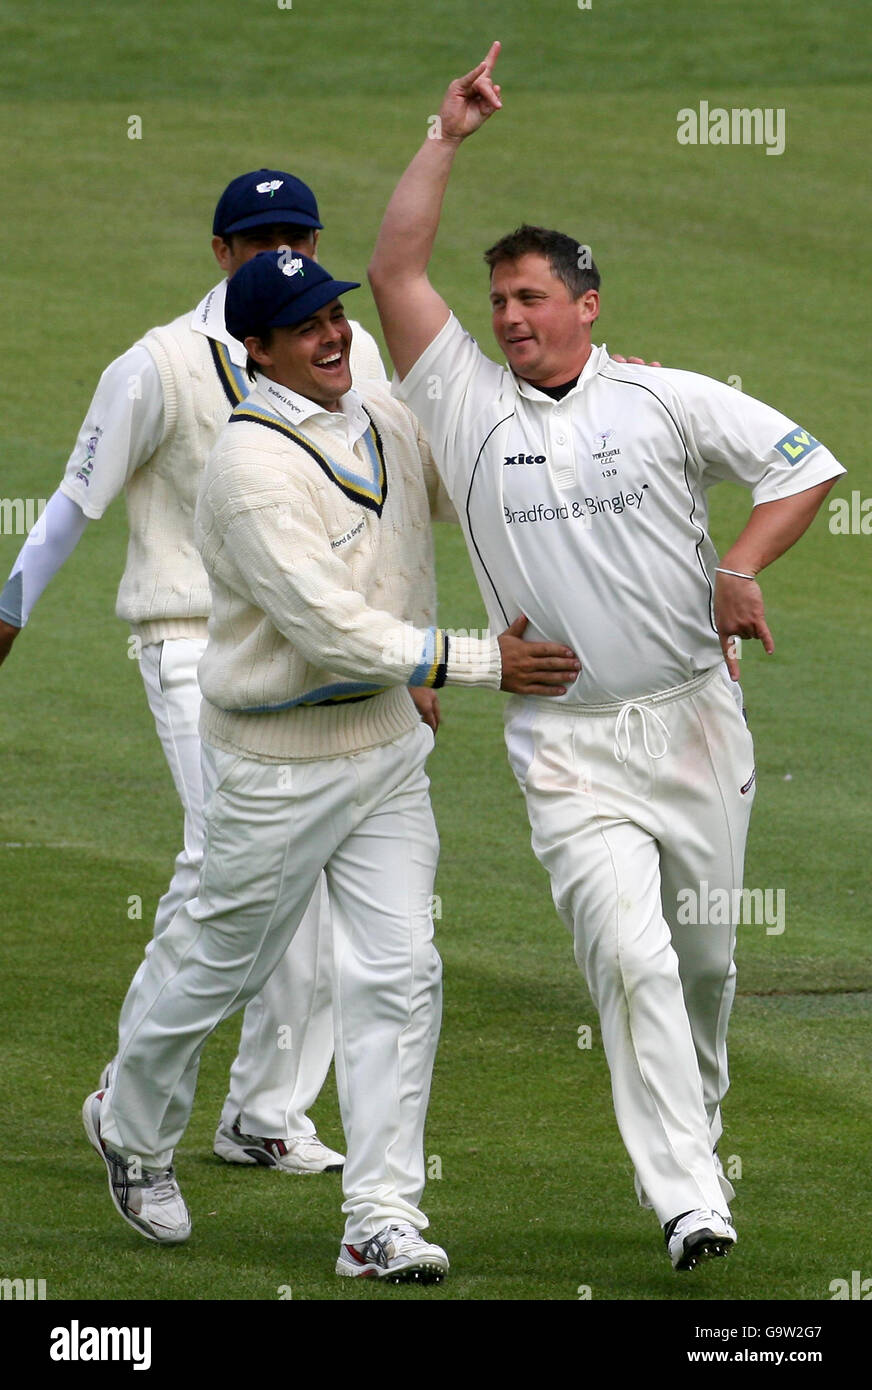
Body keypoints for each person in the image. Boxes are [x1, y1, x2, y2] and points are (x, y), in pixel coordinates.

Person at [367, 42, 846, 1270]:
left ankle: (696, 1125)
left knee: (700, 961)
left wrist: (737, 568)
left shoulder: (664, 398)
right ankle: (689, 1197)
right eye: (499, 305)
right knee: (629, 958)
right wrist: (446, 134)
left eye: (532, 299)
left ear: (587, 305)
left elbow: (807, 464)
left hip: (692, 718)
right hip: (568, 746)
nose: (509, 320)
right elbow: (391, 269)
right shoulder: (465, 405)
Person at [81, 249, 580, 1281]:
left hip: (387, 751)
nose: (331, 333)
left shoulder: (385, 413)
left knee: (401, 972)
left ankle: (378, 1219)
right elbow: (330, 630)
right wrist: (478, 660)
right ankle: (130, 1130)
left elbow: (473, 481)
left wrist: (576, 411)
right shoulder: (247, 467)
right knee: (221, 966)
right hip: (273, 764)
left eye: (334, 314)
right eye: (302, 324)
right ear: (256, 348)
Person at [0, 169, 391, 1176]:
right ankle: (183, 1104)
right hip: (188, 644)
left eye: (293, 233)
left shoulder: (345, 348)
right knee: (249, 878)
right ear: (219, 251)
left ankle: (253, 1112)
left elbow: (392, 484)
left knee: (245, 881)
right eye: (255, 238)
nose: (276, 250)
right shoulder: (157, 364)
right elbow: (72, 502)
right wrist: (8, 610)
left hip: (317, 655)